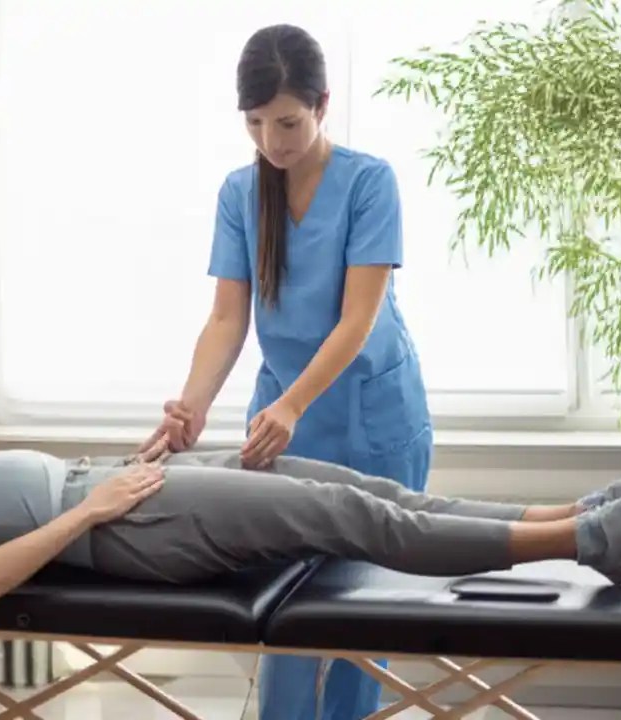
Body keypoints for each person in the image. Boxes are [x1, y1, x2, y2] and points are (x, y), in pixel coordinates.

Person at [137, 22, 438, 720]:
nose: (274, 140)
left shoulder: (370, 183)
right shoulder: (240, 195)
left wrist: (295, 405)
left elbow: (357, 319)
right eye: (257, 123)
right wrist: (192, 405)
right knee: (286, 612)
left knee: (362, 613)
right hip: (281, 421)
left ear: (323, 104)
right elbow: (225, 321)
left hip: (372, 417)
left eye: (288, 122)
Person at [0, 437, 621, 609]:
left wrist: (119, 468)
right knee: (346, 515)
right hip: (123, 527)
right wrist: (92, 508)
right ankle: (585, 544)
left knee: (369, 488)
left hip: (122, 491)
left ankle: (583, 511)